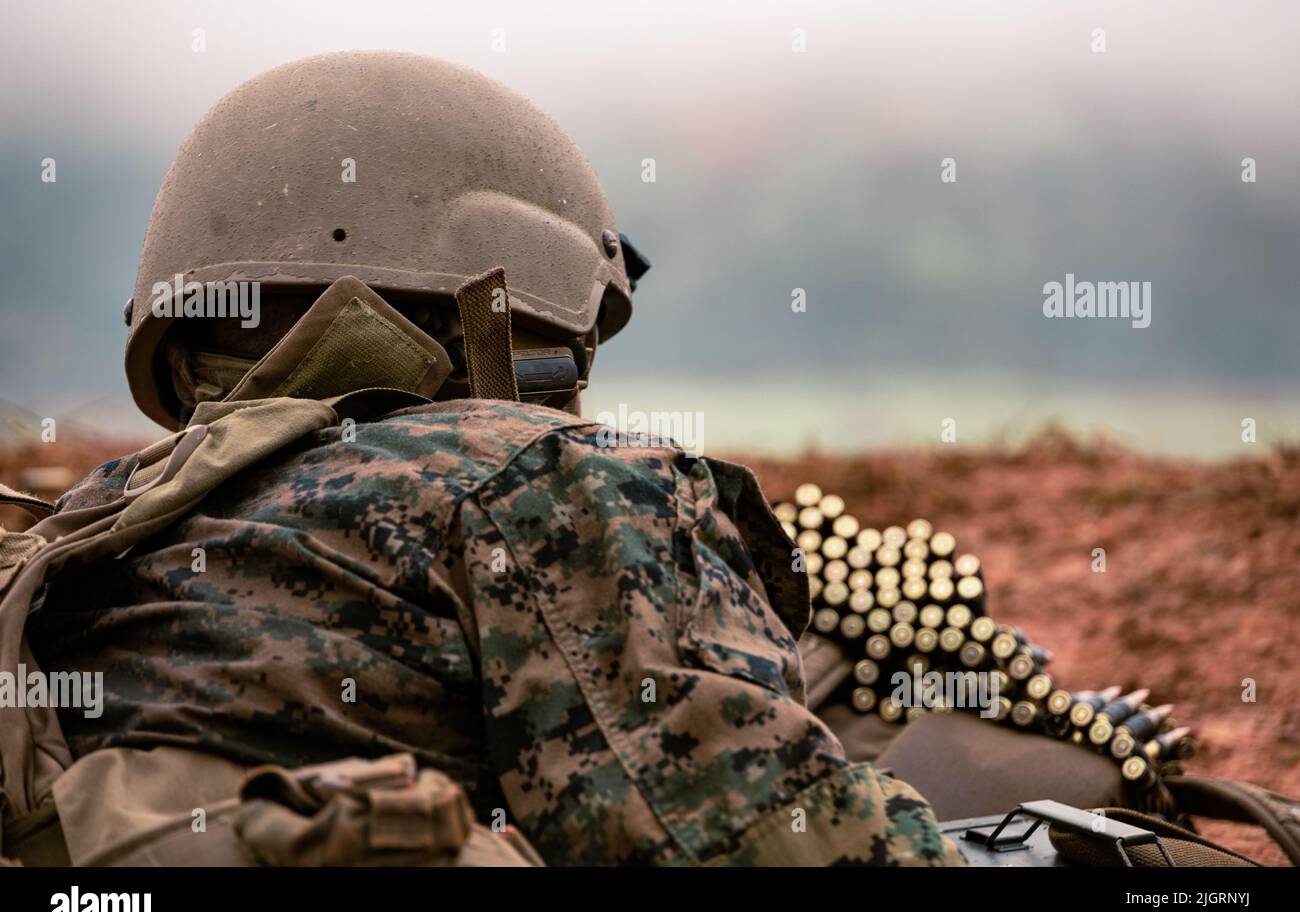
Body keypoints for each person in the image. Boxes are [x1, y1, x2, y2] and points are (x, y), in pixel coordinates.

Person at [1, 52, 963, 867]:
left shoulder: (85, 532)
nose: (571, 402)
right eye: (559, 358)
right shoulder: (534, 481)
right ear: (487, 318)